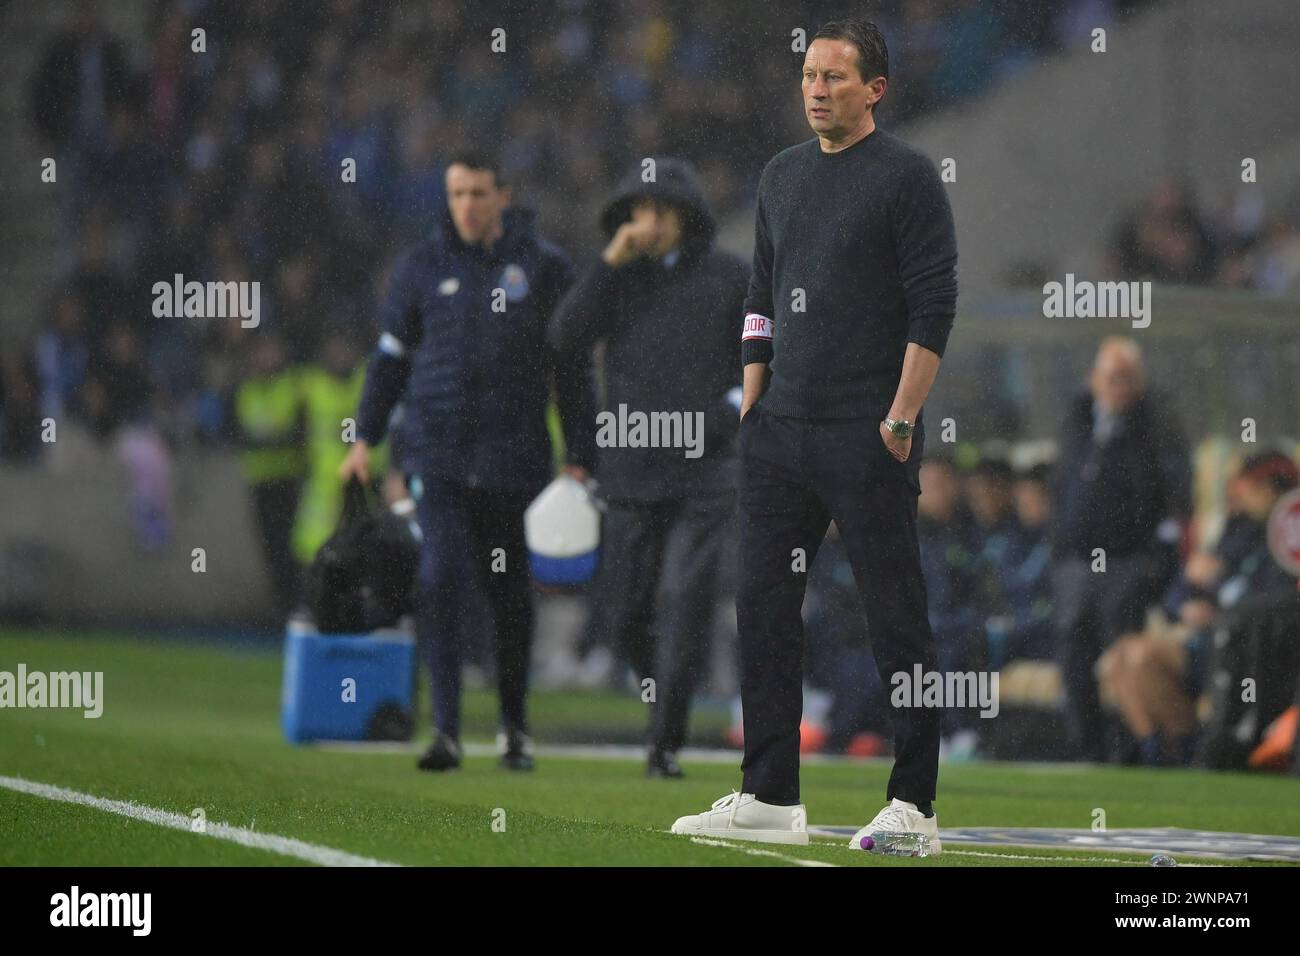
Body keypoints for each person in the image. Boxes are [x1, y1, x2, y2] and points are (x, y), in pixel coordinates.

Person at [670, 18, 957, 850]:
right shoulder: (782, 175)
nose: (816, 88)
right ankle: (769, 795)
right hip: (780, 433)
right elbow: (761, 290)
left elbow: (934, 305)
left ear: (875, 89)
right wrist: (754, 403)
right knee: (761, 608)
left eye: (834, 76)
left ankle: (915, 807)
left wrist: (900, 418)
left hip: (869, 430)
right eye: (808, 73)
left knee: (894, 616)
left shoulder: (906, 178)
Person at [340, 152, 596, 772]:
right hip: (440, 457)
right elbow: (390, 357)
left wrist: (582, 457)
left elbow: (572, 370)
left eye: (478, 193)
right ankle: (448, 732)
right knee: (438, 582)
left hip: (517, 463)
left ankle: (514, 727)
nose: (467, 205)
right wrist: (363, 438)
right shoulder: (422, 267)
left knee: (509, 598)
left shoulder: (545, 267)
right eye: (457, 193)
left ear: (503, 196)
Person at [549, 158, 748, 779]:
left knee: (684, 597)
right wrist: (608, 263)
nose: (649, 222)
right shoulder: (616, 280)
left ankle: (664, 741)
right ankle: (665, 694)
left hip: (704, 472)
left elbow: (767, 357)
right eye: (638, 210)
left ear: (686, 216)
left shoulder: (731, 276)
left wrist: (732, 410)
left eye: (660, 209)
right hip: (631, 471)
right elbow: (563, 340)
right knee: (625, 611)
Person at [1050, 336, 1189, 762]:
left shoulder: (1155, 426)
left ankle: (1130, 749)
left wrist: (1152, 565)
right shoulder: (1078, 423)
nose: (1120, 388)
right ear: (1093, 380)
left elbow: (1172, 498)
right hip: (1076, 565)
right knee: (1073, 655)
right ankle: (1086, 750)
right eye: (1113, 378)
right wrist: (1059, 553)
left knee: (1118, 655)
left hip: (1127, 563)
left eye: (1128, 379)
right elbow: (1062, 489)